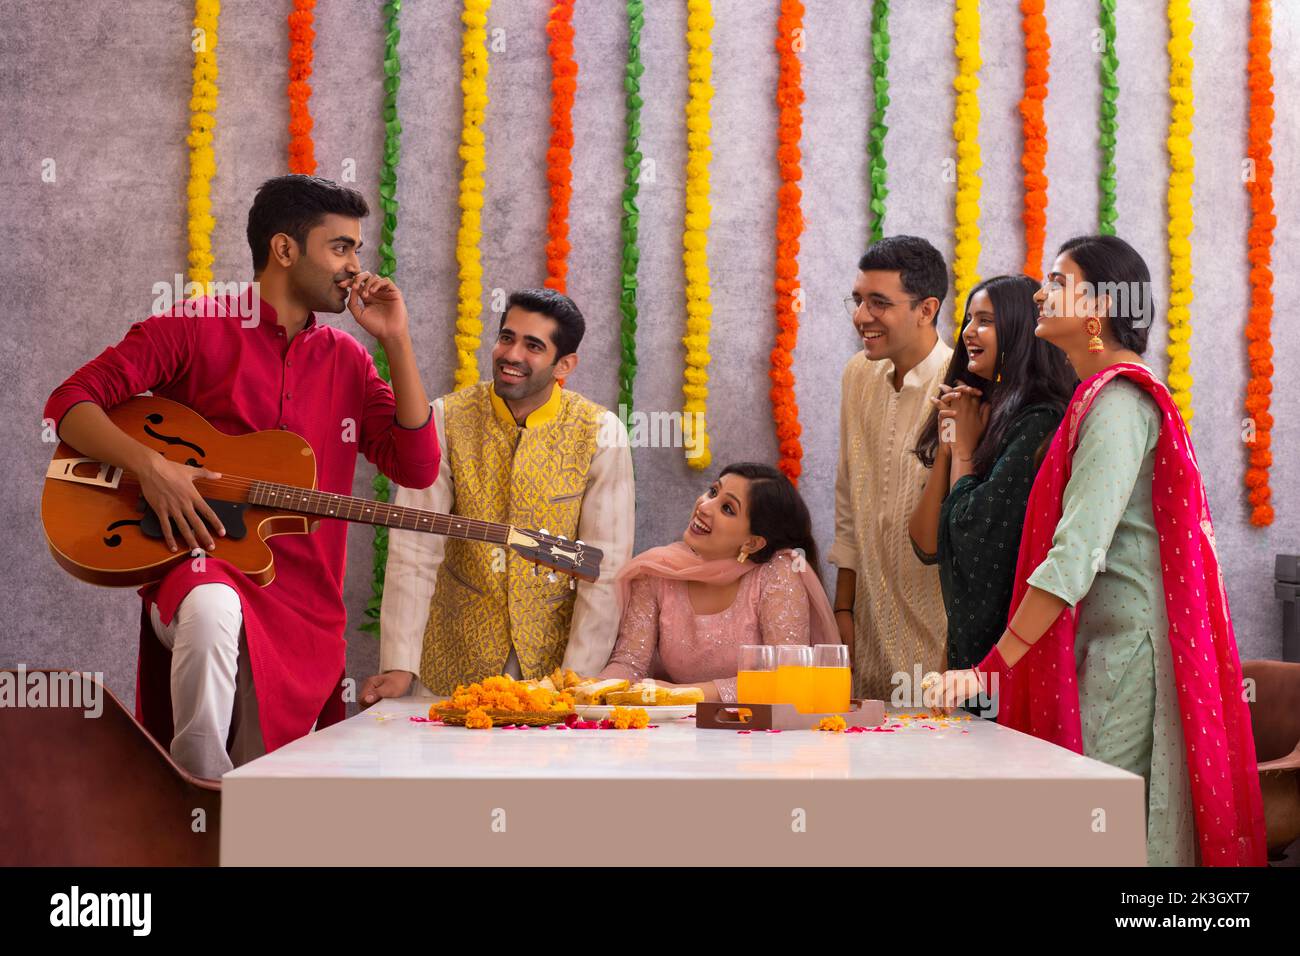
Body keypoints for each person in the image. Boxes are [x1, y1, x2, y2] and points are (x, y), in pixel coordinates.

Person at [43, 174, 439, 779]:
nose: (355, 267)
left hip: (306, 603)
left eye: (356, 250)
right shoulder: (194, 326)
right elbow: (71, 400)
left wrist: (398, 340)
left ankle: (238, 815)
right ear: (285, 250)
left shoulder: (348, 360)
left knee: (272, 788)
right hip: (199, 570)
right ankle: (197, 786)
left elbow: (416, 466)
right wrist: (151, 467)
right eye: (341, 247)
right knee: (211, 605)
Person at [933, 235, 1266, 866]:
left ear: (1101, 307)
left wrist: (987, 668)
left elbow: (1074, 557)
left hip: (1128, 662)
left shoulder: (1117, 402)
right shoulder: (1091, 399)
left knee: (1104, 840)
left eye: (1059, 282)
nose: (1040, 292)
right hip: (1100, 649)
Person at [364, 288, 634, 701]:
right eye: (507, 338)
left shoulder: (599, 431)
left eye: (533, 346)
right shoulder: (446, 417)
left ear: (565, 364)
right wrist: (401, 664)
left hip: (553, 668)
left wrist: (575, 681)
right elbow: (414, 548)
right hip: (449, 663)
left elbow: (604, 567)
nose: (512, 355)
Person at [908, 274, 1074, 679]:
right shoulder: (981, 410)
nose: (968, 332)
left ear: (1020, 329)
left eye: (985, 321)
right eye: (967, 319)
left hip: (1013, 657)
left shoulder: (1039, 421)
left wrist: (964, 450)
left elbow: (972, 536)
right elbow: (929, 542)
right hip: (968, 656)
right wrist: (950, 449)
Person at [597, 463, 837, 702]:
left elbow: (788, 678)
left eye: (727, 508)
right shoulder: (658, 571)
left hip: (756, 733)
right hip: (676, 732)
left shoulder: (776, 573)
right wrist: (587, 690)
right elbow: (629, 664)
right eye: (713, 492)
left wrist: (686, 694)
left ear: (752, 543)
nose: (704, 506)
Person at [829, 235, 953, 699]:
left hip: (940, 638)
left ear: (926, 309)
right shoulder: (857, 374)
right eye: (859, 300)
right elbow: (848, 496)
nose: (861, 316)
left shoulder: (960, 383)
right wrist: (843, 610)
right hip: (866, 627)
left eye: (879, 303)